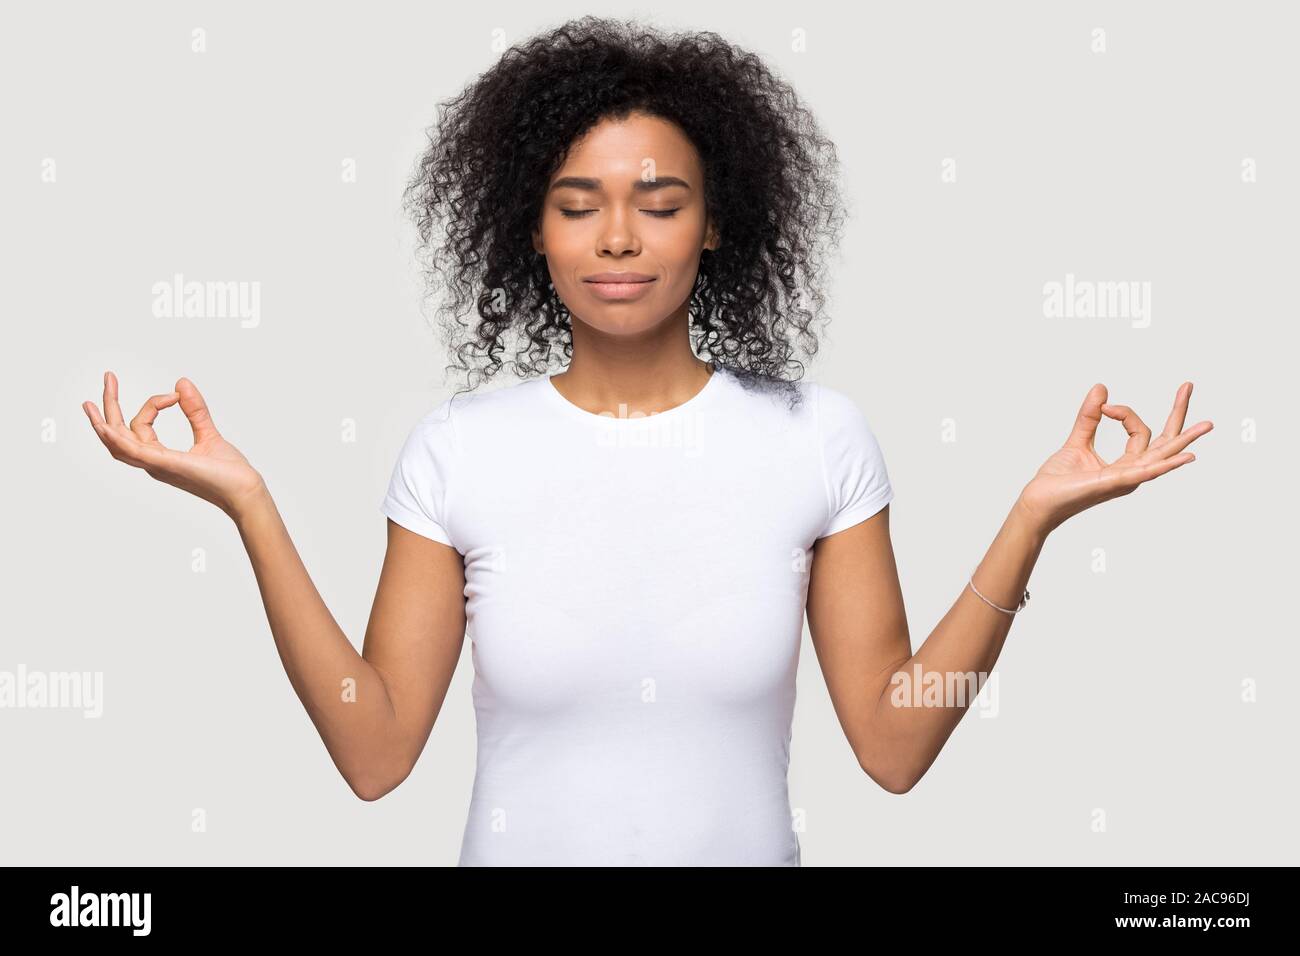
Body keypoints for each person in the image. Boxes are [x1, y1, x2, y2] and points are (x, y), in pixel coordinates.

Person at [81, 16, 1213, 866]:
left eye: (659, 202)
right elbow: (374, 755)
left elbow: (894, 745)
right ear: (530, 227)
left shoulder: (816, 438)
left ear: (717, 222)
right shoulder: (456, 451)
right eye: (576, 205)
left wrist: (1029, 522)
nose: (617, 236)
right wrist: (251, 506)